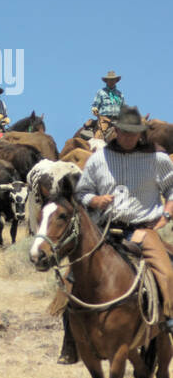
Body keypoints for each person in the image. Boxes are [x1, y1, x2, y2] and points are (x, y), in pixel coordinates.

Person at [59, 105, 173, 363]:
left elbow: (172, 190)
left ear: (142, 133)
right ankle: (70, 341)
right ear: (116, 131)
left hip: (143, 230)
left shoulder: (159, 160)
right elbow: (81, 193)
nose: (128, 137)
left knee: (167, 273)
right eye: (123, 132)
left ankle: (167, 322)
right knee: (69, 282)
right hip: (105, 231)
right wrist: (95, 200)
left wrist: (166, 215)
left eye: (133, 133)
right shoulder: (99, 159)